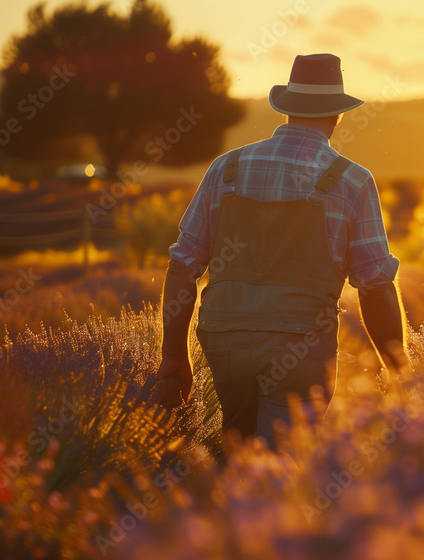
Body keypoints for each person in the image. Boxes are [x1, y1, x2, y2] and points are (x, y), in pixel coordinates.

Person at [155, 53, 406, 449]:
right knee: (283, 463)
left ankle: (224, 505)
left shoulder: (227, 168)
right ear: (337, 114)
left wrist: (173, 355)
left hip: (224, 338)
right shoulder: (351, 181)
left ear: (287, 108)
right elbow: (374, 286)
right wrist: (400, 368)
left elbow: (183, 266)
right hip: (301, 345)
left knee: (237, 446)